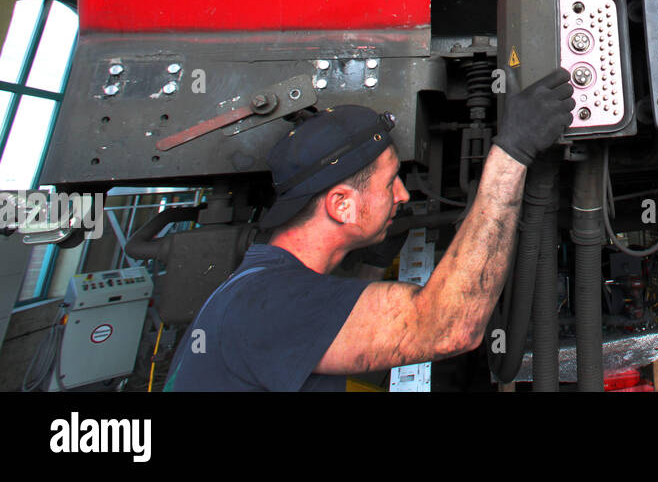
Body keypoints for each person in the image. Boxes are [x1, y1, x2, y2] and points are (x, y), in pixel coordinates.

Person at [166, 68, 575, 390]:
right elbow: (451, 327)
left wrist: (375, 263)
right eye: (390, 182)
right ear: (341, 205)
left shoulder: (260, 287)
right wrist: (511, 155)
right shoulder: (267, 302)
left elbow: (337, 319)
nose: (402, 195)